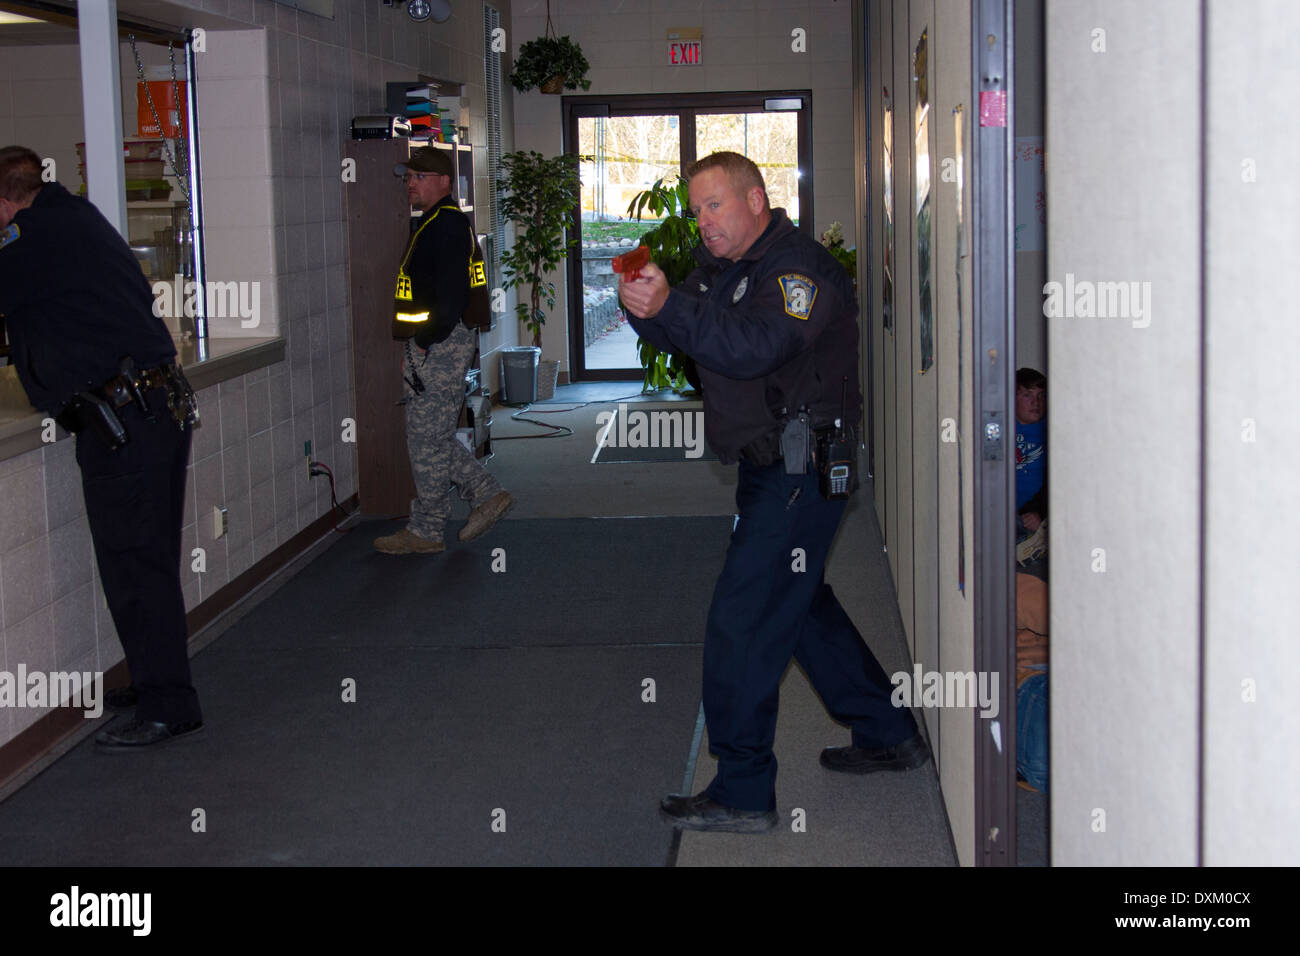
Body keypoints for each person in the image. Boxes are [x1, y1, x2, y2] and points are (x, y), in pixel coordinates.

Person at [619, 151, 929, 833]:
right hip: (774, 469)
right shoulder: (732, 270)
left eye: (716, 205)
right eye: (696, 210)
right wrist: (648, 307)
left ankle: (743, 788)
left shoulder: (797, 271)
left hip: (800, 471)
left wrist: (673, 307)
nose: (703, 221)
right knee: (800, 603)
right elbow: (691, 331)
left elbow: (756, 346)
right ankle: (885, 728)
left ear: (756, 199)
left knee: (745, 618)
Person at [0, 145, 202, 751]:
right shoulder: (77, 217)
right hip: (154, 407)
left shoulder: (29, 237)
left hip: (124, 418)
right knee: (150, 557)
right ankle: (153, 681)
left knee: (135, 564)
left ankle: (169, 705)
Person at [374, 147, 512, 555]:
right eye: (408, 177)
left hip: (439, 345)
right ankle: (464, 506)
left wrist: (421, 342)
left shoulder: (445, 225)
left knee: (426, 437)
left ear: (444, 182)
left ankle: (434, 524)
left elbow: (449, 300)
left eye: (419, 176)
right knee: (428, 435)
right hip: (437, 345)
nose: (410, 183)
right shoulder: (437, 222)